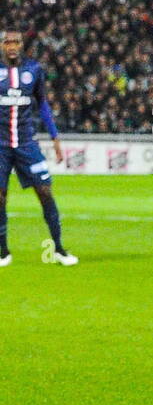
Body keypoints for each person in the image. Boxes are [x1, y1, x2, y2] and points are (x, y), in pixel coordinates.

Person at [0, 30, 77, 267]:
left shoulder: (33, 70)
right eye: (7, 42)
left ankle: (59, 249)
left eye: (16, 42)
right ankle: (3, 252)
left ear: (22, 45)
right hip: (0, 146)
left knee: (45, 192)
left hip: (26, 144)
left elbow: (42, 103)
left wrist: (55, 138)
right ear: (2, 46)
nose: (12, 46)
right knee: (0, 198)